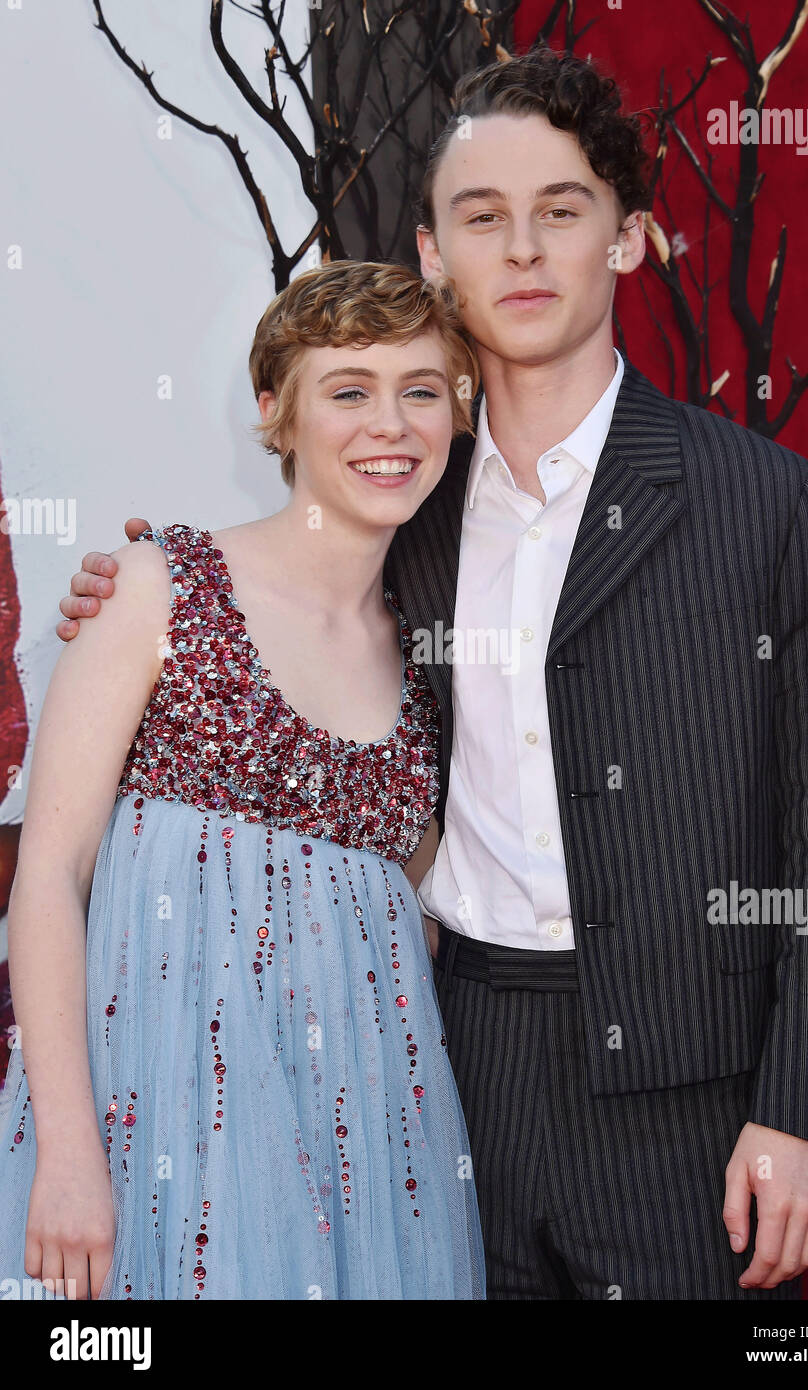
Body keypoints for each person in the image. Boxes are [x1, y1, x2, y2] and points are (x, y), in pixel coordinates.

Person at [58, 47, 808, 1300]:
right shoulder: (403, 504)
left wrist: (803, 1108)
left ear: (629, 237)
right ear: (434, 254)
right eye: (482, 218)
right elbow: (278, 606)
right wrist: (139, 596)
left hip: (687, 1100)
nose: (525, 250)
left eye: (563, 210)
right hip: (443, 1065)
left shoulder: (762, 502)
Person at [1, 260, 486, 1300]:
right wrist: (70, 1151)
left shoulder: (426, 647)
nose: (389, 424)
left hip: (367, 1146)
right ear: (276, 413)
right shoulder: (154, 588)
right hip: (157, 1121)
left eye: (420, 389)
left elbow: (422, 906)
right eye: (347, 390)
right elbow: (48, 874)